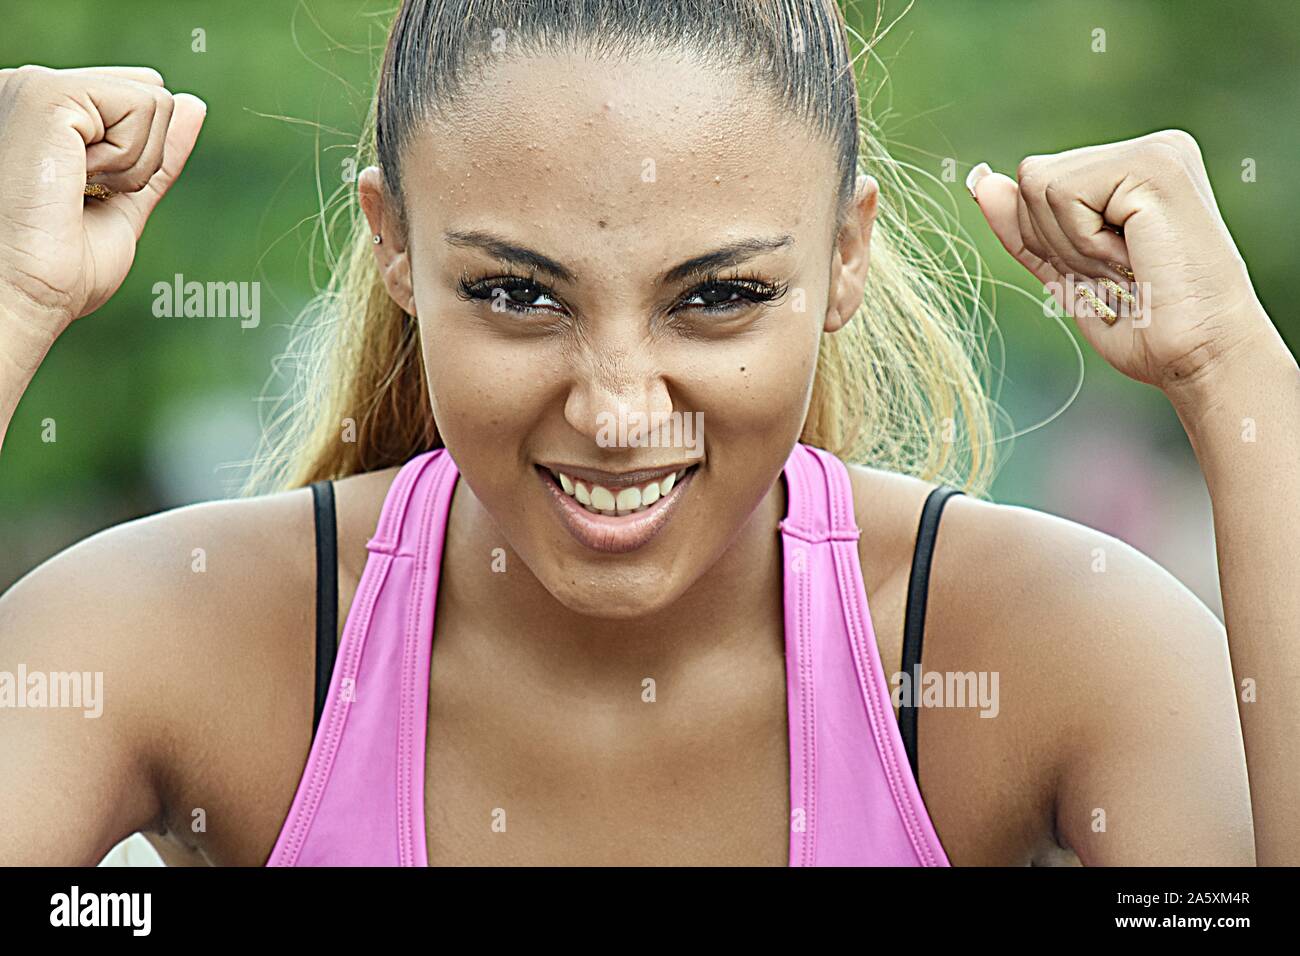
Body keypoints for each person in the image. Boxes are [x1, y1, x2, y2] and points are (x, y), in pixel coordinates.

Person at [0, 0, 1295, 867]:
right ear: (394, 245)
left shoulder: (1055, 647)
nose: (617, 414)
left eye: (718, 296)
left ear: (845, 255)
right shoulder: (162, 634)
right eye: (518, 295)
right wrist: (9, 300)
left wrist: (1232, 373)